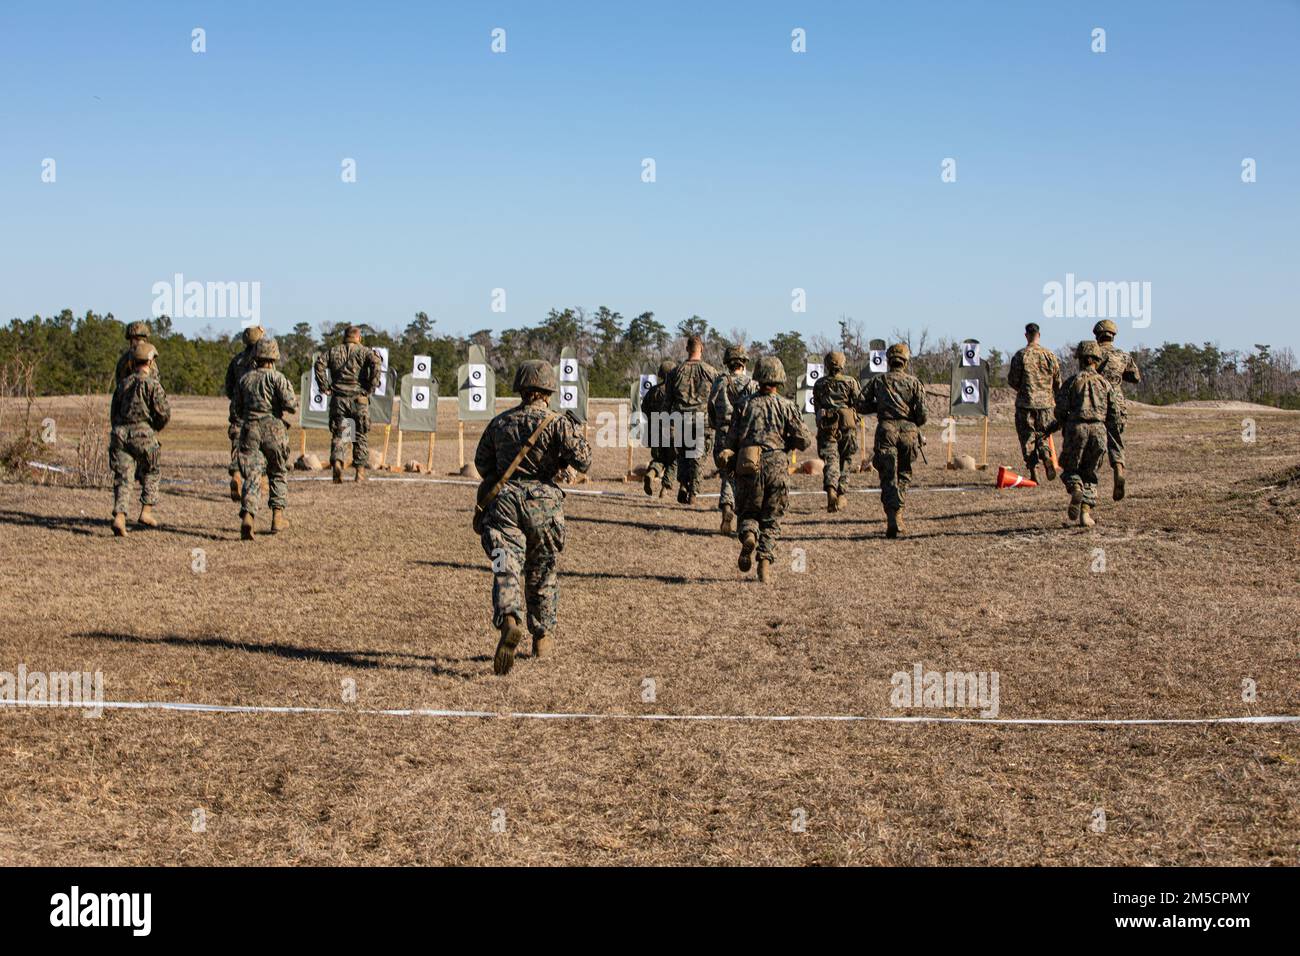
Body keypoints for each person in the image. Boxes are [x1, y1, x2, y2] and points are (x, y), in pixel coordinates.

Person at [475, 360, 592, 675]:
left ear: (521, 389)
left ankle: (510, 618)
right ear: (548, 390)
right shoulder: (557, 423)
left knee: (505, 566)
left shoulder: (500, 423)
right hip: (543, 503)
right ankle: (542, 641)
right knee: (542, 572)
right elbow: (584, 461)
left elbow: (482, 464)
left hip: (504, 502)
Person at [718, 356, 810, 583]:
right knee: (772, 517)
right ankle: (765, 563)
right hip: (777, 464)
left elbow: (731, 440)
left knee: (748, 512)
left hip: (749, 463)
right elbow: (805, 441)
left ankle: (749, 535)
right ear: (779, 378)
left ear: (757, 377)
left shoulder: (744, 405)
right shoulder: (787, 406)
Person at [1047, 341, 1122, 527]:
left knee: (1071, 468)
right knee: (1090, 472)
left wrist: (1062, 422)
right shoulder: (1105, 384)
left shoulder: (1072, 382)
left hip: (1076, 429)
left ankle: (1075, 489)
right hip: (1098, 431)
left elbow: (1060, 410)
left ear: (1080, 360)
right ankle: (1085, 514)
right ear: (1097, 360)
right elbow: (1114, 414)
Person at [857, 343, 927, 539]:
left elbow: (860, 404)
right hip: (908, 432)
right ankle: (900, 512)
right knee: (903, 473)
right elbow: (923, 416)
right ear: (905, 361)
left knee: (887, 475)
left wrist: (880, 407)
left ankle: (891, 516)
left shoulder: (878, 381)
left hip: (886, 430)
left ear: (889, 360)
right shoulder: (914, 383)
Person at [233, 338, 298, 540]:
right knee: (278, 471)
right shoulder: (277, 378)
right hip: (273, 430)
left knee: (252, 474)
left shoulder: (245, 379)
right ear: (274, 357)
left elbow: (236, 408)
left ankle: (249, 516)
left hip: (250, 429)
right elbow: (290, 405)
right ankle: (277, 518)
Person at [108, 342, 171, 536]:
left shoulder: (122, 384)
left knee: (123, 478)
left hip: (120, 435)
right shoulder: (153, 385)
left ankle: (119, 516)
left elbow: (113, 414)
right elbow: (163, 413)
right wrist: (154, 428)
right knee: (151, 471)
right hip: (143, 435)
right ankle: (146, 511)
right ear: (150, 362)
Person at [313, 325, 383, 482]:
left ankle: (338, 462)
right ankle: (359, 472)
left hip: (338, 399)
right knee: (360, 434)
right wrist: (370, 387)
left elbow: (319, 364)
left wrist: (324, 387)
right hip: (359, 399)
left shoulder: (333, 351)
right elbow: (376, 364)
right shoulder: (364, 351)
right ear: (358, 337)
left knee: (341, 434)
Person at [708, 344, 757, 533]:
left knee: (727, 474)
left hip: (724, 434)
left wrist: (717, 425)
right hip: (744, 436)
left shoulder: (719, 383)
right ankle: (742, 520)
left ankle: (727, 507)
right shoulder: (752, 384)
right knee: (745, 476)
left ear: (727, 363)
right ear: (743, 362)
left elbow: (711, 408)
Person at [1006, 322, 1062, 483]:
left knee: (1027, 438)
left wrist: (1023, 389)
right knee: (1043, 435)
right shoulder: (1049, 355)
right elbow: (1057, 381)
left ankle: (1034, 471)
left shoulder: (1020, 355)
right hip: (1046, 404)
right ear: (1039, 335)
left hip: (1026, 403)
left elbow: (1013, 380)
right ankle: (1045, 455)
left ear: (1026, 335)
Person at [665, 334, 717, 505]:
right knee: (698, 457)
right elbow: (718, 399)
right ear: (701, 348)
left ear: (687, 349)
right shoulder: (711, 372)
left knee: (683, 456)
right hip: (703, 420)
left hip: (681, 419)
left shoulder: (675, 372)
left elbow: (668, 401)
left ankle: (683, 484)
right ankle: (694, 492)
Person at [1093, 319, 1141, 500]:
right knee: (1115, 439)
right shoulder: (1122, 355)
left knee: (1095, 443)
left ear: (1097, 335)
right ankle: (1119, 468)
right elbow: (1135, 377)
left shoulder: (1094, 353)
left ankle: (1090, 487)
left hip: (1096, 401)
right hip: (1117, 403)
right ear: (1113, 335)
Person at [812, 350, 862, 512]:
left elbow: (817, 407)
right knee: (846, 459)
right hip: (847, 425)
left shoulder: (819, 384)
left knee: (830, 460)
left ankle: (831, 490)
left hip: (828, 425)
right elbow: (858, 403)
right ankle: (841, 492)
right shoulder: (850, 382)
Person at [224, 326, 264, 501]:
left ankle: (236, 475)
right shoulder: (263, 359)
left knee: (237, 442)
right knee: (259, 445)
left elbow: (228, 387)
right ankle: (259, 481)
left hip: (238, 406)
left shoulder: (237, 360)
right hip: (257, 407)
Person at [641, 358, 678, 498]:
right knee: (673, 460)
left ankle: (651, 473)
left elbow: (644, 409)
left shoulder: (653, 391)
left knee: (659, 458)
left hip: (655, 431)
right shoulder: (674, 392)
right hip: (671, 431)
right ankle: (665, 489)